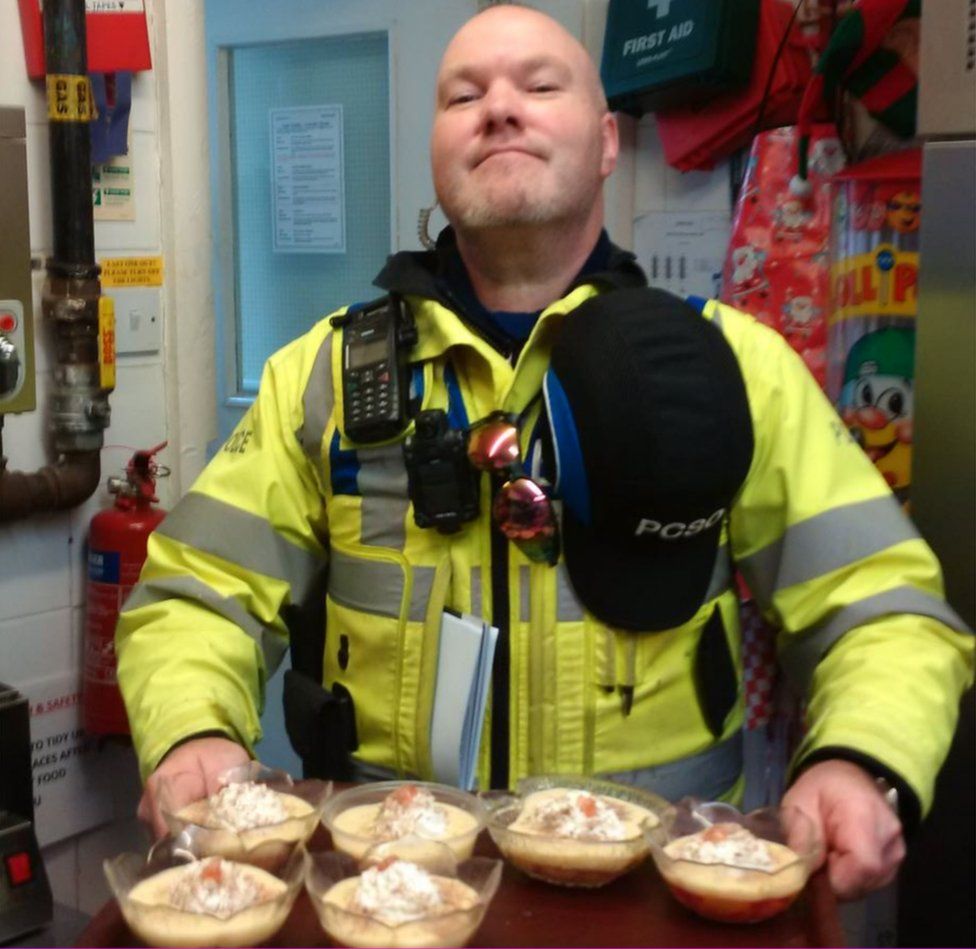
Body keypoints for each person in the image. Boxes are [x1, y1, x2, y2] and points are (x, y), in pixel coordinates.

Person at [116, 4, 973, 902]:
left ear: (607, 140)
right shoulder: (322, 378)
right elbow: (190, 600)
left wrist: (859, 756)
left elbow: (884, 610)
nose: (499, 108)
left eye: (538, 84)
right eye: (463, 95)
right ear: (437, 148)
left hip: (659, 906)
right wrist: (189, 734)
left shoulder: (735, 369)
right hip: (390, 898)